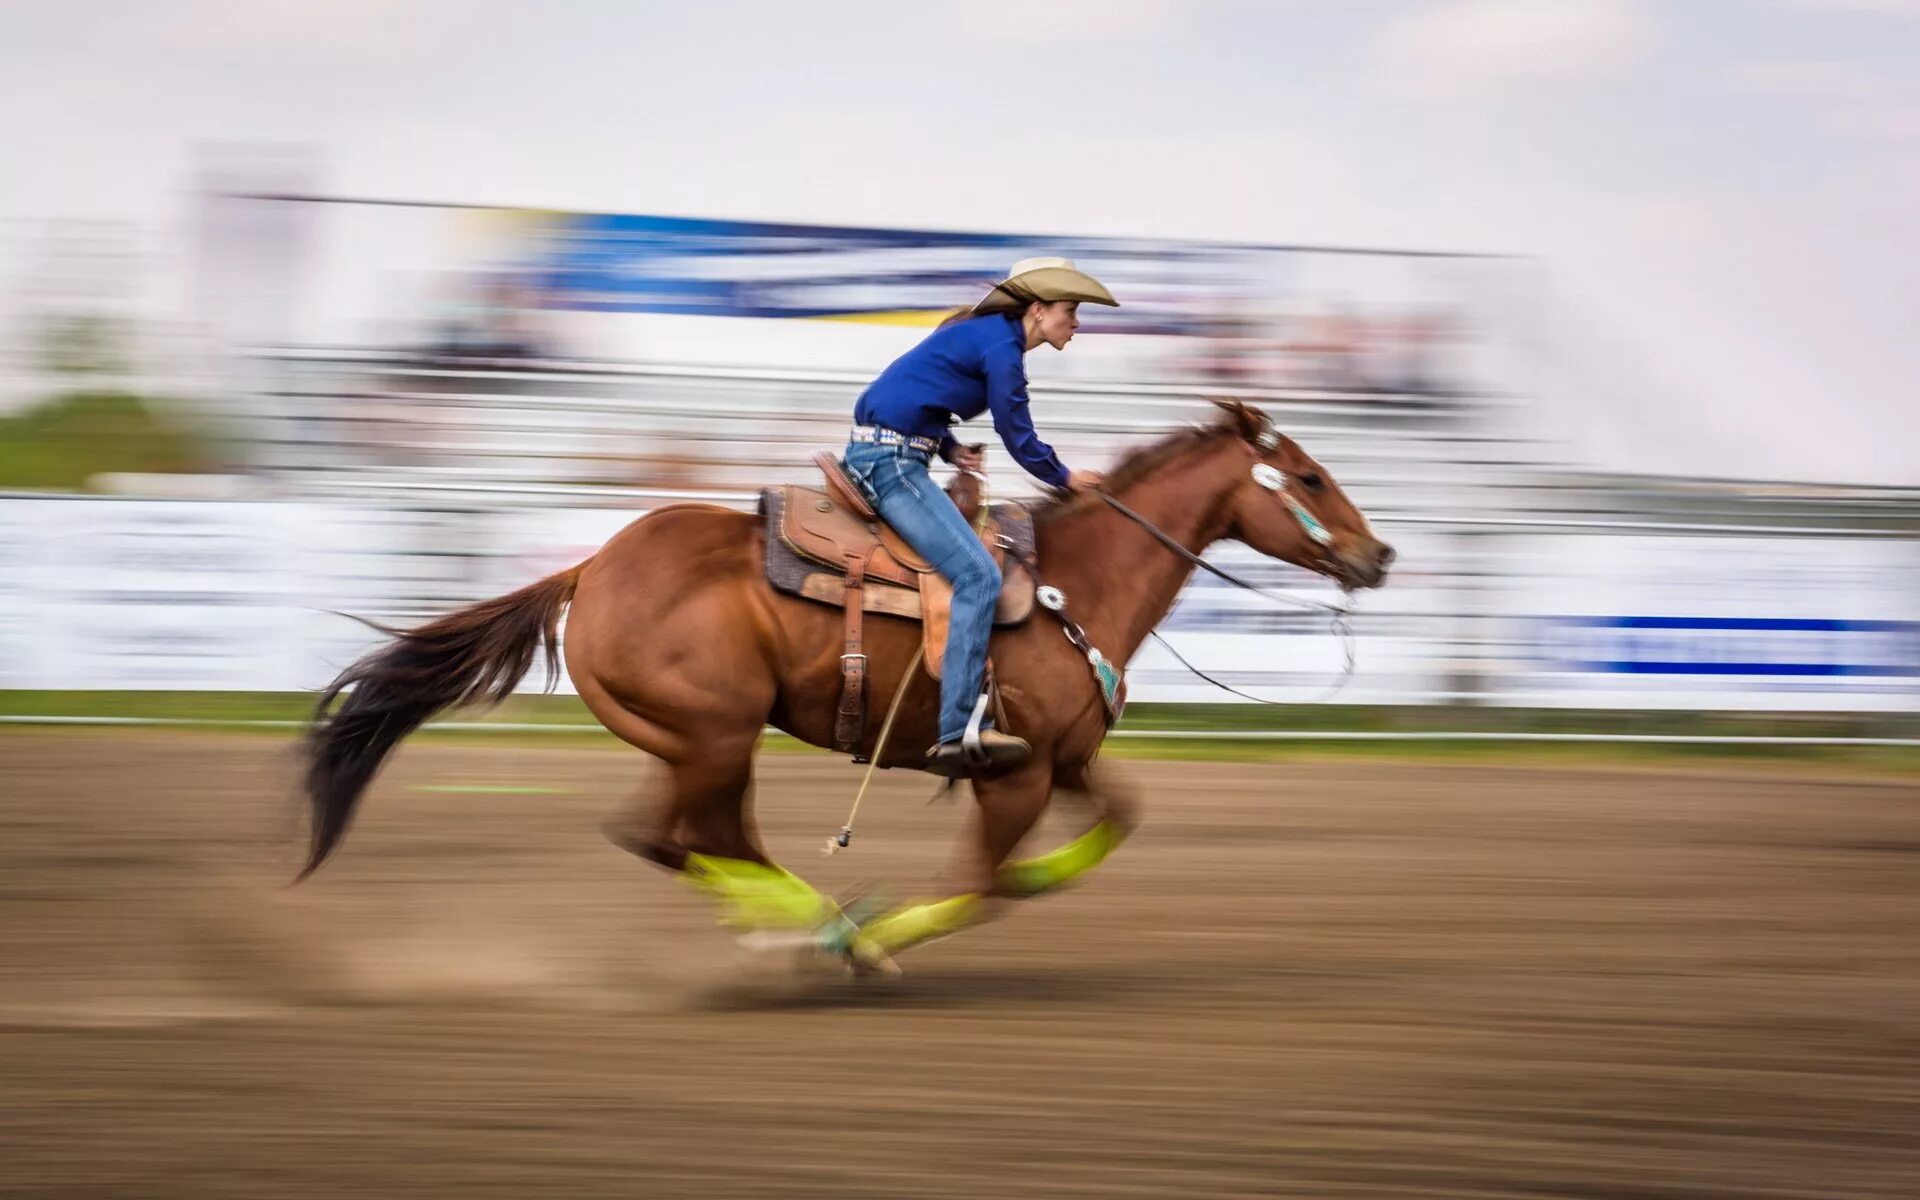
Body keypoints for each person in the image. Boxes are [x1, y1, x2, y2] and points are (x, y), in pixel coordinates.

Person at [842, 256, 1116, 775]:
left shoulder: (988, 337)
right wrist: (1064, 477)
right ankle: (958, 729)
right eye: (1070, 311)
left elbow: (908, 396)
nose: (1076, 323)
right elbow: (1017, 432)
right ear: (1038, 310)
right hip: (893, 466)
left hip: (896, 455)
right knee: (977, 575)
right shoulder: (1002, 349)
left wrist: (948, 451)